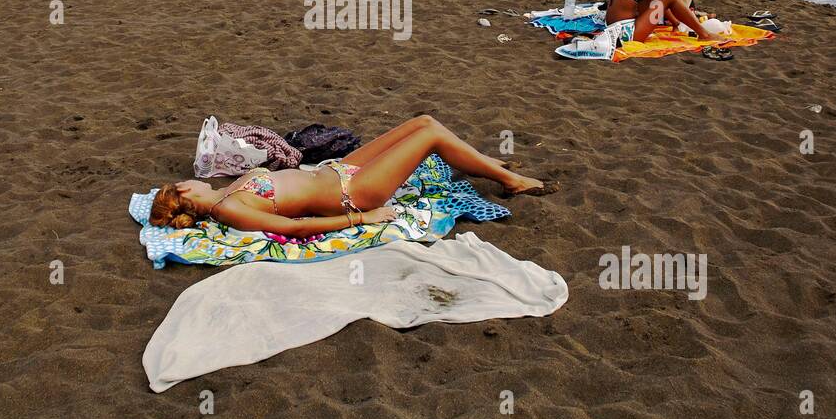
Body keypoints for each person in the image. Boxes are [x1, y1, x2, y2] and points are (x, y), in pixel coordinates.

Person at [148, 115, 557, 235]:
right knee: (430, 135)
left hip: (338, 171)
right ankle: (510, 182)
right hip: (354, 192)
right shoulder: (232, 209)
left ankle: (484, 161)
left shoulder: (226, 195)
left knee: (422, 122)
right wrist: (364, 218)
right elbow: (292, 230)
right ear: (185, 190)